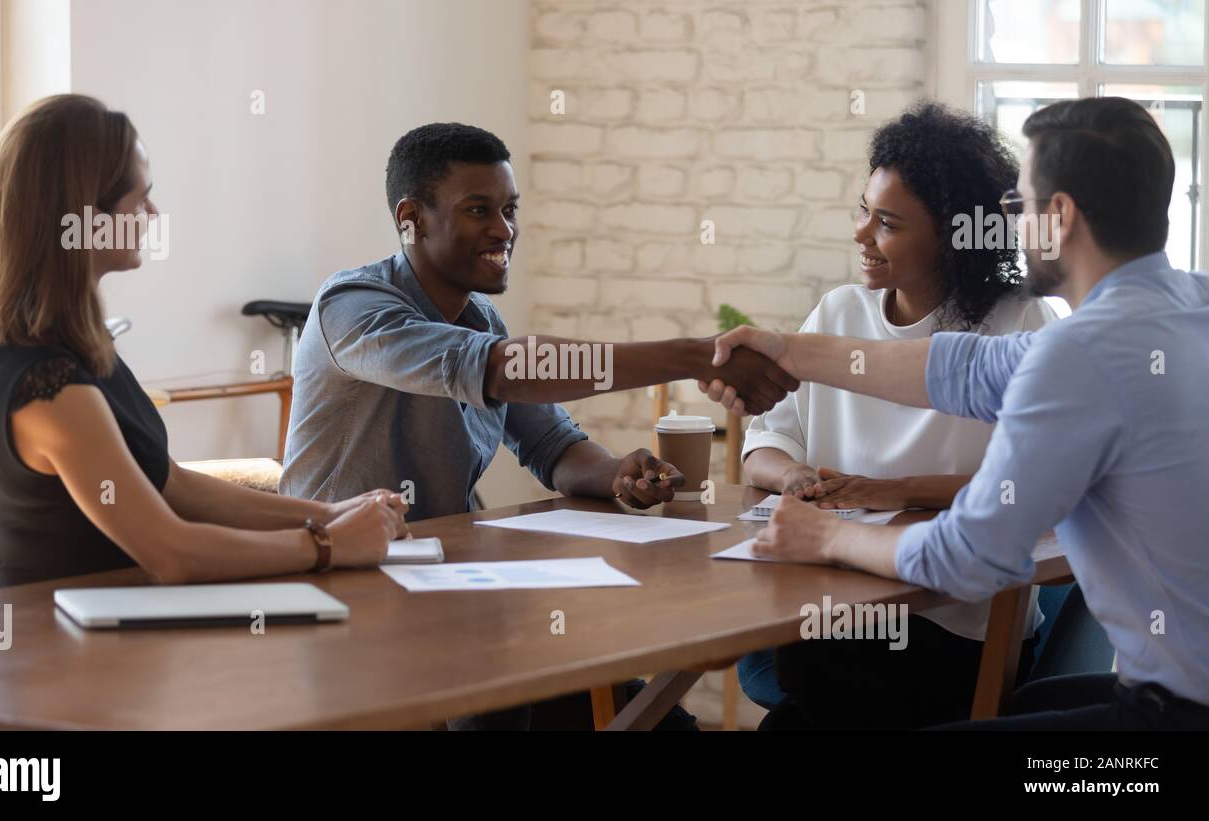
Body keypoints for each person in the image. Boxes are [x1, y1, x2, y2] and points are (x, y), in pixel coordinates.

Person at [703, 97, 1209, 730]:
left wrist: (826, 535)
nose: (1009, 229)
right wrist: (787, 350)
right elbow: (964, 368)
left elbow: (970, 556)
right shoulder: (1189, 305)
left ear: (1060, 216)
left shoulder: (1082, 354)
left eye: (1017, 208)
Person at [281, 122, 795, 729]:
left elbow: (552, 444)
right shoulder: (352, 306)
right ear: (410, 217)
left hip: (447, 587)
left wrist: (614, 474)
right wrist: (691, 354)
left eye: (510, 209)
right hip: (346, 595)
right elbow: (506, 372)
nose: (504, 231)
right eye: (480, 211)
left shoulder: (481, 317)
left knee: (656, 719)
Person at [0, 94, 408, 589]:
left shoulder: (72, 351)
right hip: (65, 659)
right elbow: (173, 552)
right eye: (140, 197)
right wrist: (330, 546)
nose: (152, 211)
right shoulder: (49, 386)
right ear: (89, 217)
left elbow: (173, 485)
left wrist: (329, 514)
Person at [737, 103, 1057, 729]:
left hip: (955, 619)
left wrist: (894, 491)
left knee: (810, 680)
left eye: (888, 223)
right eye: (864, 210)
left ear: (950, 236)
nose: (861, 233)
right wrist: (793, 476)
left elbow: (1029, 484)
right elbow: (764, 441)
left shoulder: (1017, 325)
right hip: (831, 591)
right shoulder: (836, 313)